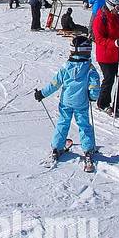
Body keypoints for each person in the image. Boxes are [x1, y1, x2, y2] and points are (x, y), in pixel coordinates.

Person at [34, 32, 103, 171]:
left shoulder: (66, 67)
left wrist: (42, 93)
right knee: (84, 125)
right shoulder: (89, 69)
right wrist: (93, 96)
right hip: (81, 103)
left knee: (62, 123)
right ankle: (88, 149)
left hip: (66, 102)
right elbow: (95, 84)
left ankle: (57, 146)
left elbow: (55, 83)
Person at [90, 0, 119, 118]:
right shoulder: (100, 18)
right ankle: (103, 103)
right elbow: (99, 39)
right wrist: (114, 43)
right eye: (117, 7)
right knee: (109, 79)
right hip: (106, 56)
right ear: (110, 5)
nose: (118, 10)